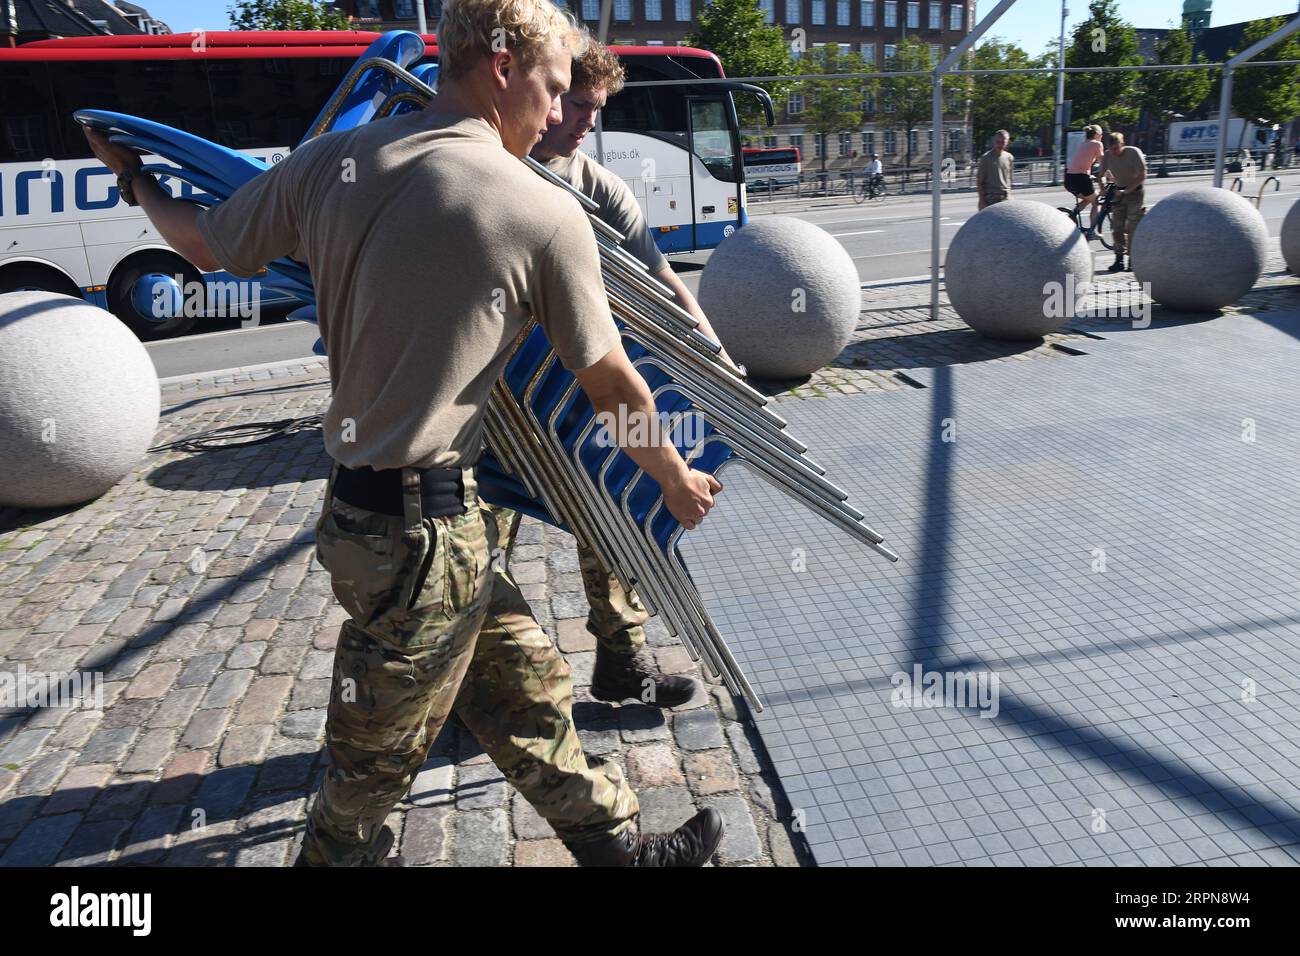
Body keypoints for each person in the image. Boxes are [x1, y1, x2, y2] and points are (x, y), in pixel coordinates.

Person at [82, 0, 726, 867]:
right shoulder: (538, 207)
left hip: (377, 519)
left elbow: (202, 244)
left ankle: (614, 847)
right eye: (552, 87)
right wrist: (673, 477)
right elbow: (608, 380)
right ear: (502, 69)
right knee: (369, 770)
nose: (554, 112)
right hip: (423, 539)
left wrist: (136, 182)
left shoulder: (333, 163)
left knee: (526, 684)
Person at [522, 36, 732, 710]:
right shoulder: (498, 168)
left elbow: (663, 278)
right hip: (497, 391)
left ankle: (621, 659)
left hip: (585, 383)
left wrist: (716, 353)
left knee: (616, 513)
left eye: (597, 109)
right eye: (577, 105)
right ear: (544, 95)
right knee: (484, 533)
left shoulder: (600, 186)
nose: (587, 122)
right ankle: (471, 681)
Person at [1097, 131, 1147, 273]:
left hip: (1135, 193)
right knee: (1117, 227)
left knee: (1132, 226)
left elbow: (1142, 175)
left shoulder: (1133, 153)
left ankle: (1132, 260)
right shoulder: (1108, 155)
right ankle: (1119, 260)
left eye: (1116, 148)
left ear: (1123, 144)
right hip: (1118, 193)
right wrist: (1102, 190)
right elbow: (1099, 175)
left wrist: (1127, 191)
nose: (1114, 152)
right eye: (1111, 149)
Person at [1065, 124, 1104, 238]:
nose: (1101, 137)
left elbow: (1080, 163)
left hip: (1069, 178)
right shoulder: (1097, 144)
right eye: (1101, 135)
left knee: (1088, 199)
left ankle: (1071, 216)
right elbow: (1103, 163)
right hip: (1080, 178)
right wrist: (1112, 175)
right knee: (1097, 201)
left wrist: (1090, 175)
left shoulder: (1083, 144)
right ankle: (1092, 231)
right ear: (1097, 135)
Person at [975, 129, 1013, 210]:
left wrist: (1010, 195)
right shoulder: (986, 158)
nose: (1000, 144)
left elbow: (1009, 179)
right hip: (990, 199)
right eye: (998, 142)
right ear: (994, 141)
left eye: (1003, 142)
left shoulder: (1009, 157)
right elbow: (979, 181)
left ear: (1007, 142)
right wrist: (981, 201)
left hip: (1005, 198)